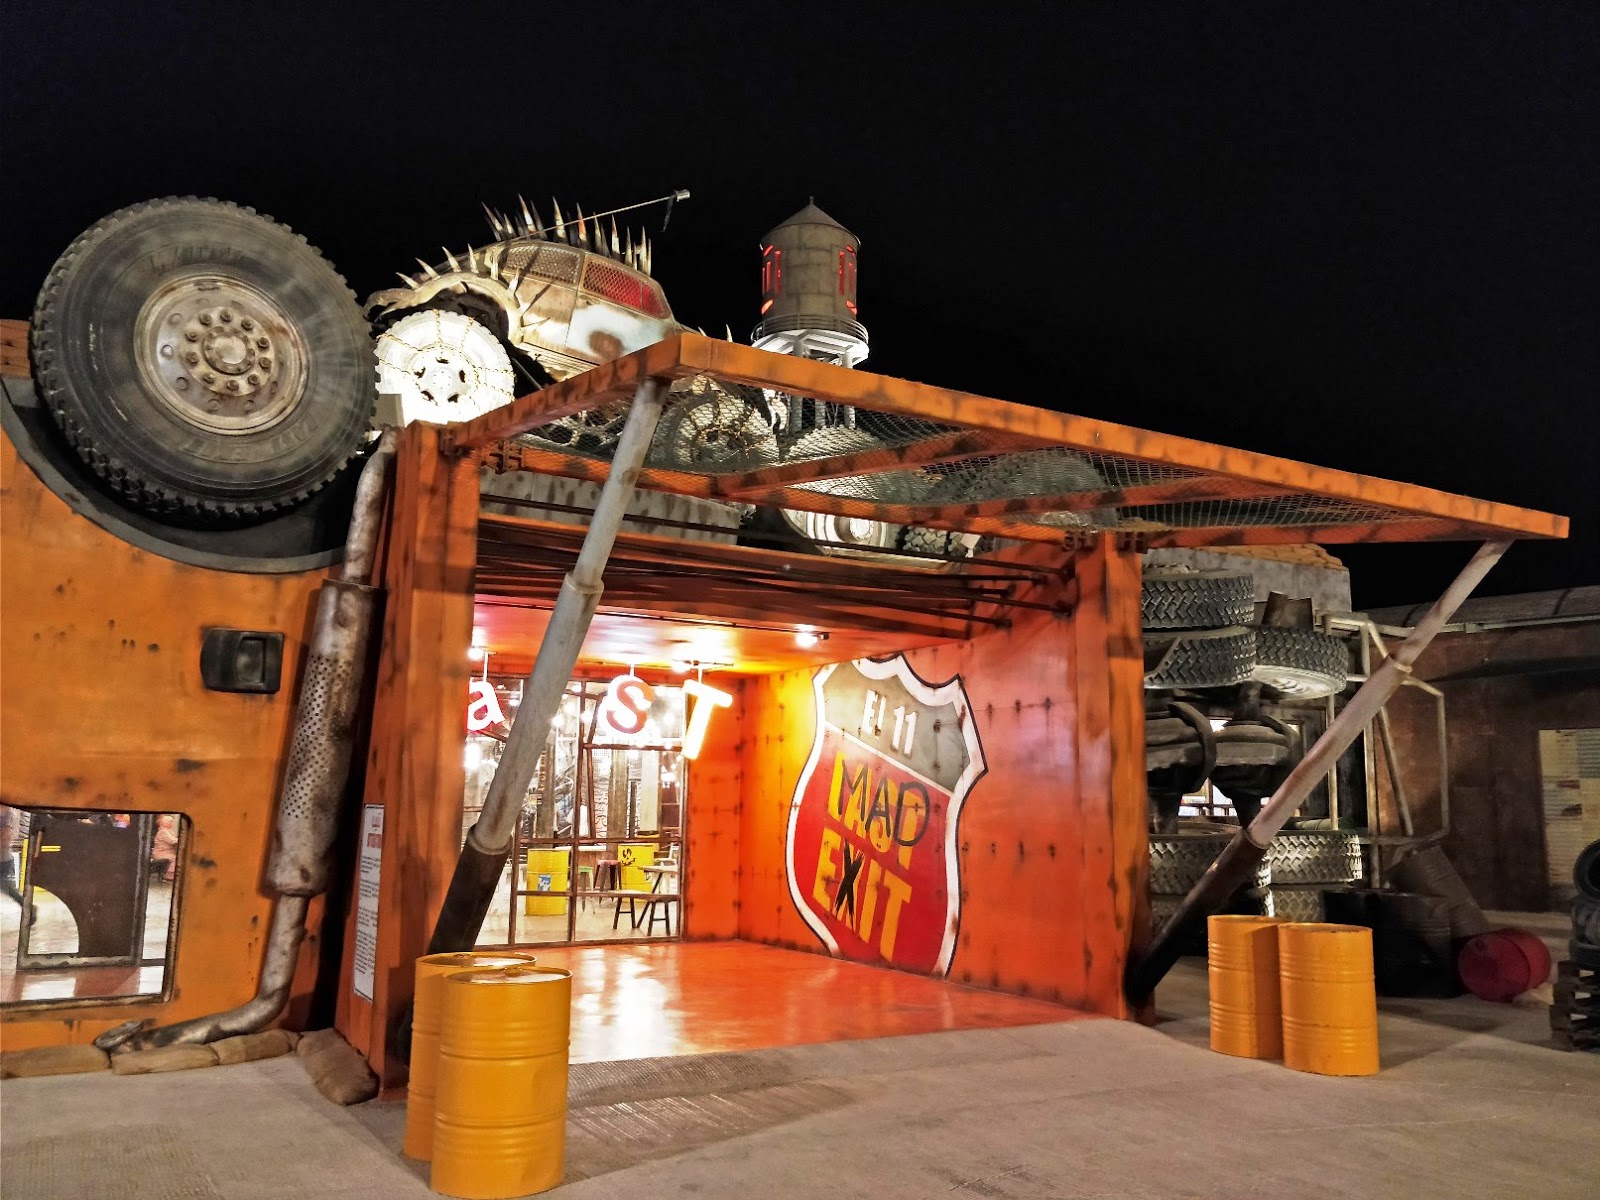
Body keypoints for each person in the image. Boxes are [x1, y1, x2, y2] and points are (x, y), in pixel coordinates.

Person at [0, 804, 28, 910]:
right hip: (4, 857)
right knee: (5, 885)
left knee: (5, 885)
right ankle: (25, 904)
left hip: (2, 858)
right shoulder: (6, 814)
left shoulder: (5, 815)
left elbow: (5, 838)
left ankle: (25, 904)